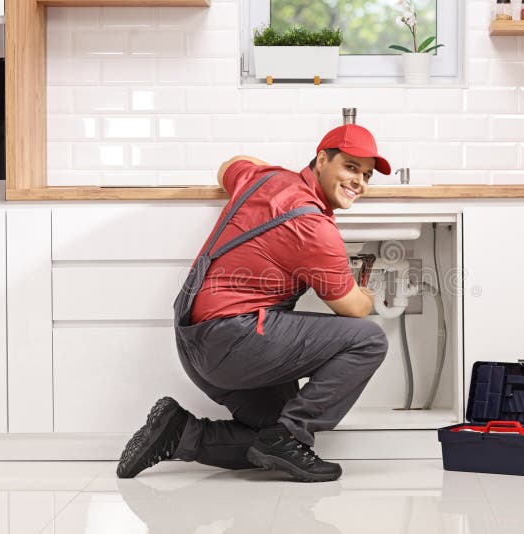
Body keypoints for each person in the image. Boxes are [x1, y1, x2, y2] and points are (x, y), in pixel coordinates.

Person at [116, 124, 392, 483]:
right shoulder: (314, 228)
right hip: (236, 340)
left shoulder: (264, 179)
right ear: (322, 159)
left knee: (268, 439)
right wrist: (367, 295)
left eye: (367, 175)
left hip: (195, 343)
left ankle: (179, 432)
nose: (359, 182)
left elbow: (231, 164)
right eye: (351, 167)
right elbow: (354, 308)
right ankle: (292, 436)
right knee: (369, 339)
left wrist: (268, 173)